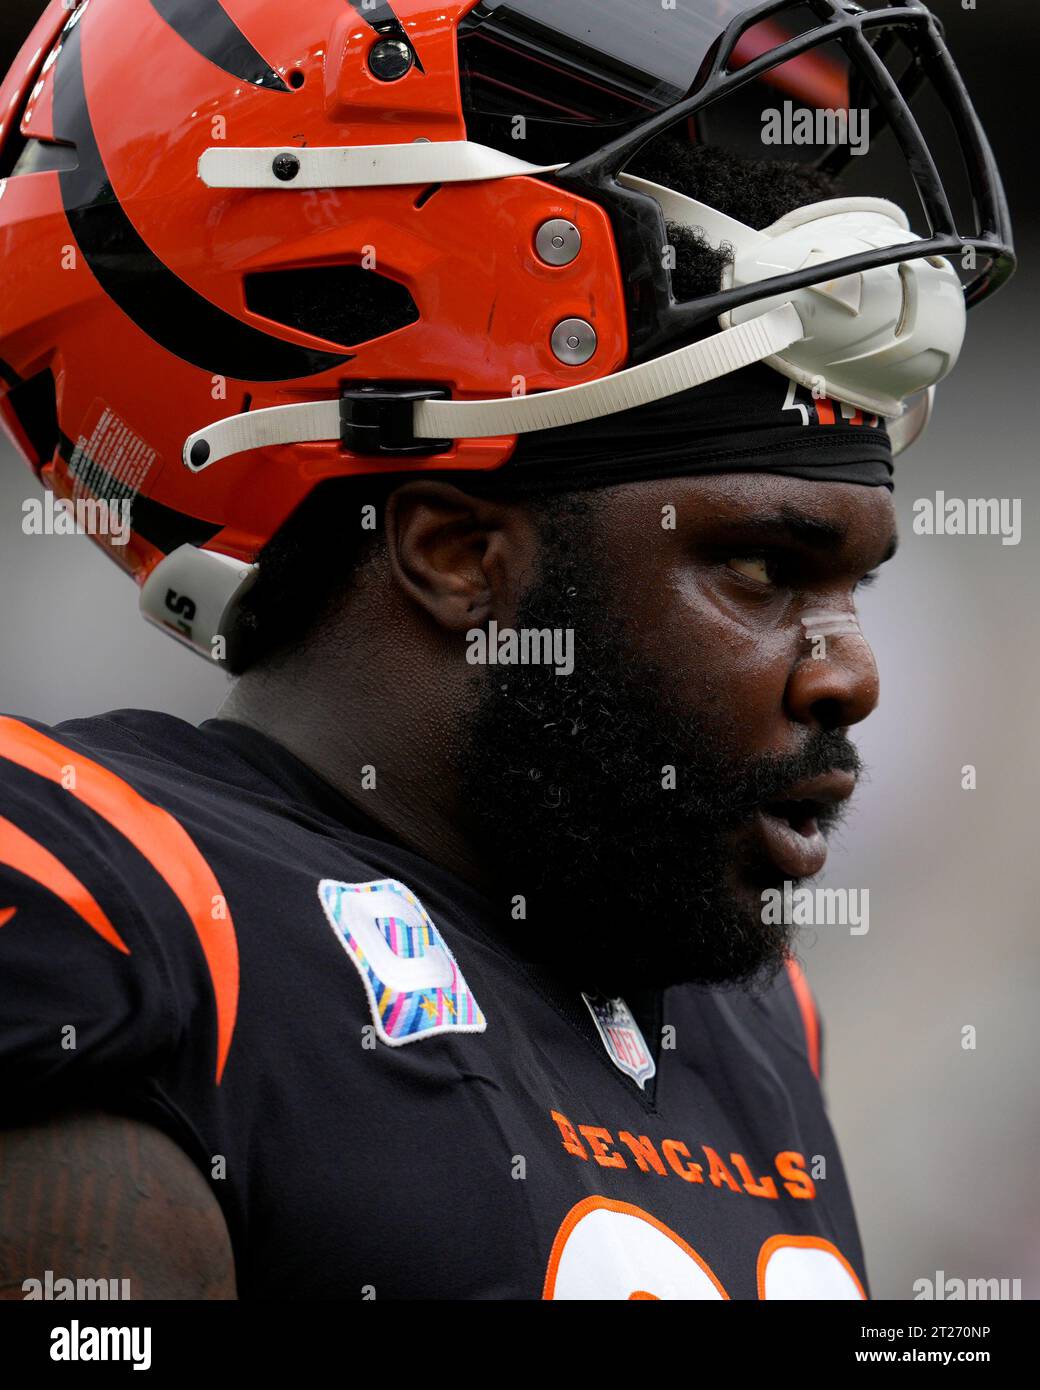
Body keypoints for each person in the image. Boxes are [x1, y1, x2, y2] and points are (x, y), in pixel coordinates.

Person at [0, 0, 1014, 1299]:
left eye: (857, 580)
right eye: (762, 567)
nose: (853, 673)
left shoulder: (744, 1017)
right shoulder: (119, 917)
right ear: (456, 556)